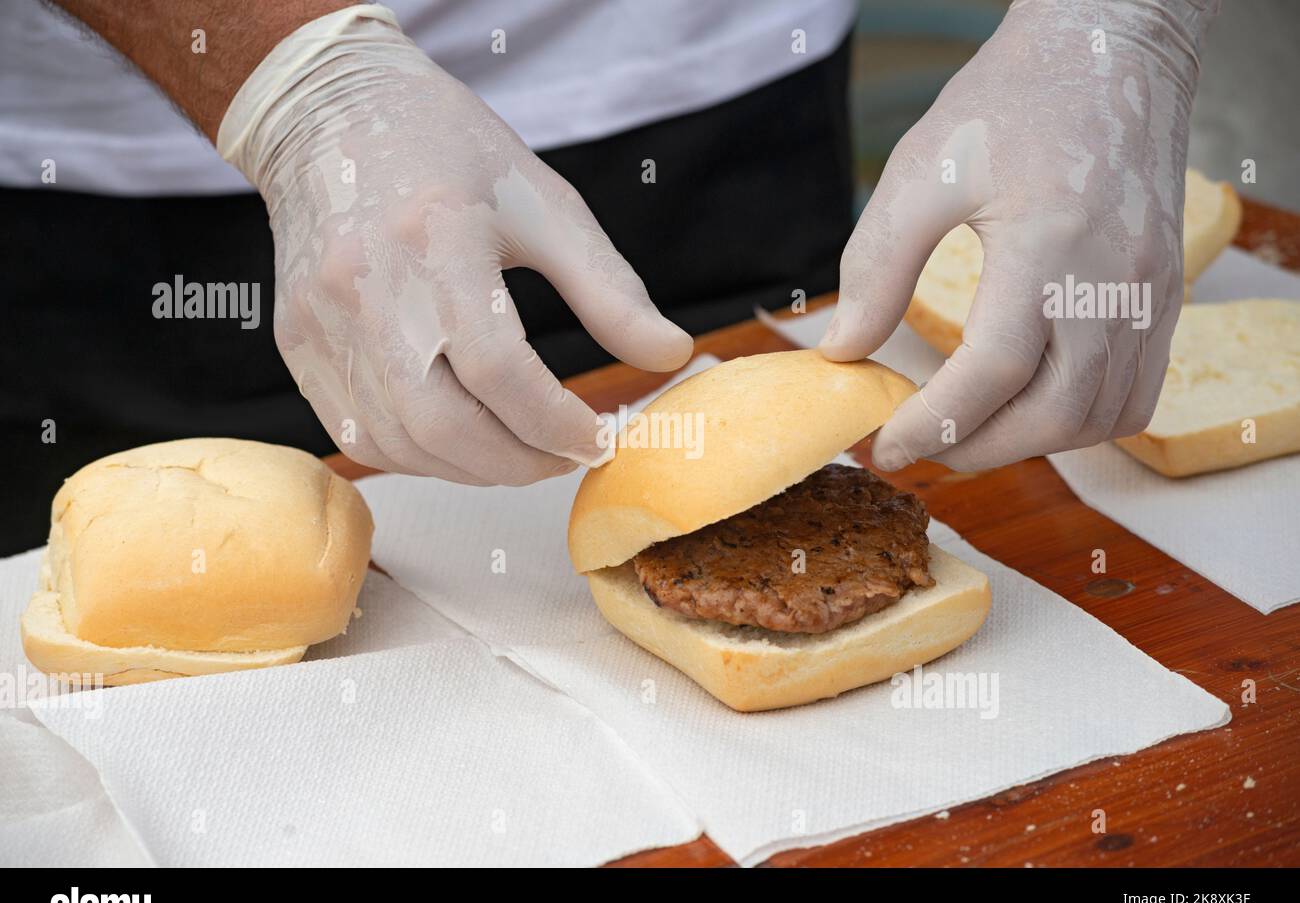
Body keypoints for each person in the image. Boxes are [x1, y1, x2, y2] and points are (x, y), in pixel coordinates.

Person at [0, 0, 1218, 555]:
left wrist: (1120, 22)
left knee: (788, 422)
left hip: (723, 85)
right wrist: (291, 85)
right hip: (153, 178)